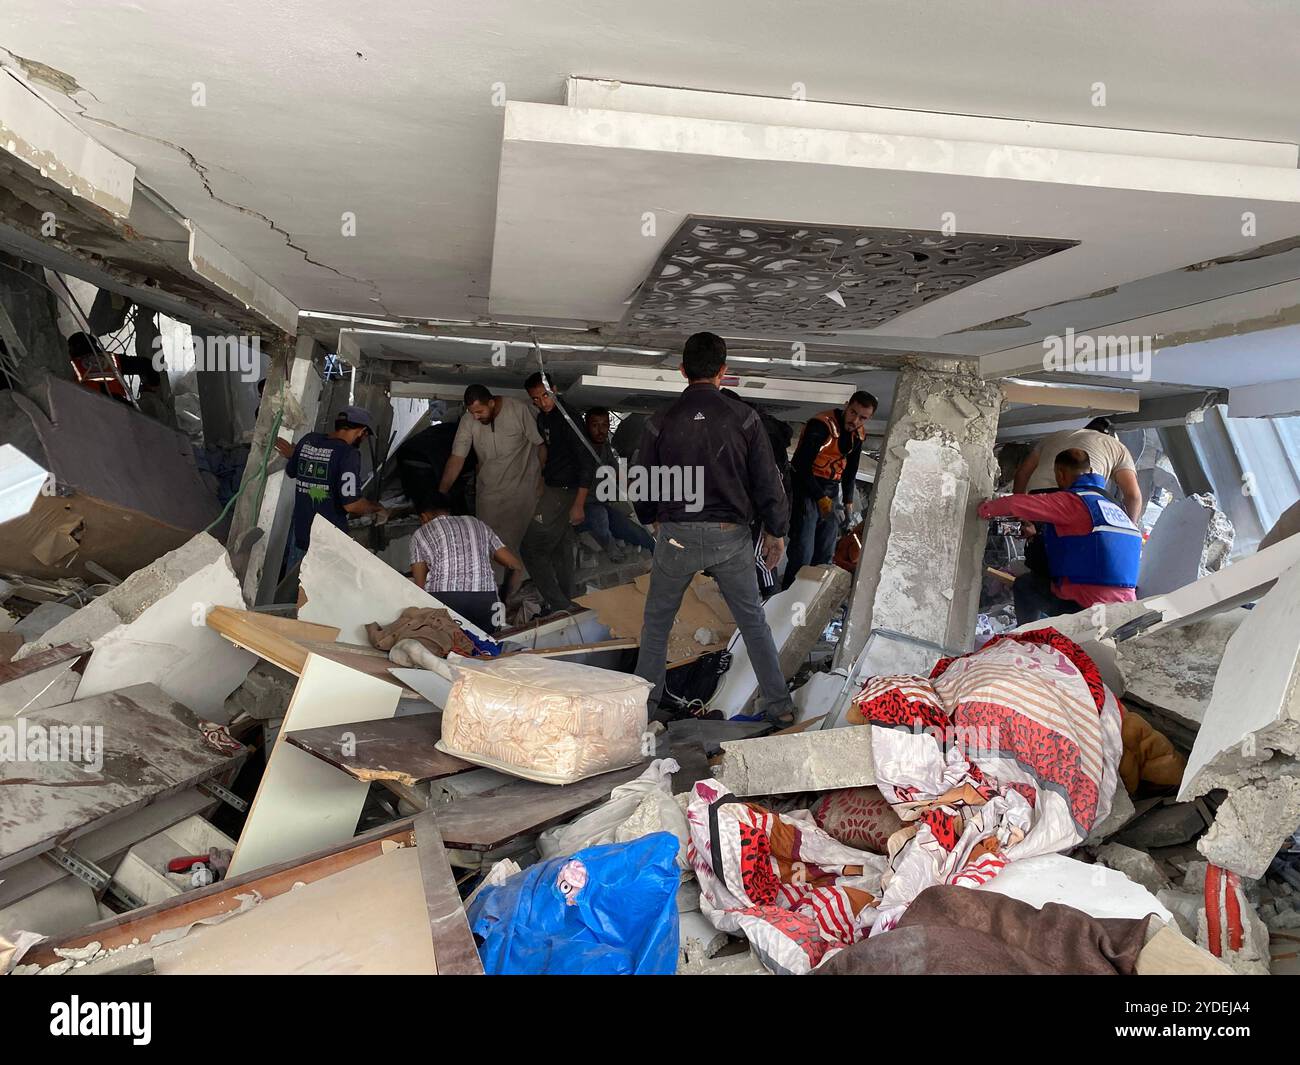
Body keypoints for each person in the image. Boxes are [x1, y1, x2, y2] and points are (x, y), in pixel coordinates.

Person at [630, 331, 794, 725]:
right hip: (729, 537)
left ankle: (642, 713)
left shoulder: (661, 420)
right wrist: (776, 531)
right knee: (753, 623)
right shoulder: (745, 419)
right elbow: (767, 481)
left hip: (677, 535)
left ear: (682, 370)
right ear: (724, 371)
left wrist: (651, 516)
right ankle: (780, 707)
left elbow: (640, 478)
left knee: (656, 625)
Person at [979, 447, 1141, 622]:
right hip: (1125, 607)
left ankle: (1028, 639)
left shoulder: (1074, 501)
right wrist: (1035, 536)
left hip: (1089, 607)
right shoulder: (1115, 508)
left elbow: (1014, 503)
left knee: (1025, 586)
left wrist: (981, 509)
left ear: (1061, 474)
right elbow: (1090, 549)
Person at [782, 391, 877, 589]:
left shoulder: (858, 434)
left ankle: (811, 595)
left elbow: (850, 472)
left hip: (830, 488)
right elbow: (800, 465)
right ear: (846, 405)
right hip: (807, 486)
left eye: (863, 417)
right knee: (803, 550)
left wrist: (848, 503)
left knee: (825, 550)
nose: (855, 420)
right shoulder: (822, 425)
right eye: (853, 412)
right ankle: (789, 595)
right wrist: (819, 497)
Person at [521, 372, 599, 613]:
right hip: (554, 486)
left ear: (554, 389)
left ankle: (559, 604)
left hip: (566, 491)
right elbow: (549, 452)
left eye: (546, 395)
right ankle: (566, 602)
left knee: (530, 548)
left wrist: (579, 503)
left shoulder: (568, 418)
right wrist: (542, 477)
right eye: (536, 399)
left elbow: (587, 462)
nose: (543, 402)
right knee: (560, 547)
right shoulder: (545, 418)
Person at [438, 384, 543, 561]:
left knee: (513, 544)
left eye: (479, 411)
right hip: (488, 493)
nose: (475, 417)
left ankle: (513, 586)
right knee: (487, 544)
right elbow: (457, 458)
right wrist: (441, 492)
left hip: (520, 491)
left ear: (492, 403)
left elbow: (541, 446)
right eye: (472, 412)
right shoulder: (469, 420)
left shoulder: (518, 410)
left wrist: (542, 480)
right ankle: (493, 587)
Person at [277, 405, 388, 571]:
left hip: (301, 536)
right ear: (361, 431)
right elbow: (352, 504)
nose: (364, 439)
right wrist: (377, 508)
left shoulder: (308, 440)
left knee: (293, 589)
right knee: (321, 593)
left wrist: (297, 453)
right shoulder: (348, 454)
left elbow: (296, 475)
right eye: (366, 435)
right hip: (328, 542)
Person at [409, 492, 524, 633]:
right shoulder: (476, 523)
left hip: (445, 601)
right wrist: (504, 599)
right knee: (492, 643)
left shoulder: (420, 534)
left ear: (424, 516)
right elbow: (515, 566)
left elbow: (420, 586)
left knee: (450, 645)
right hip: (487, 603)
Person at [1014, 417, 1143, 521]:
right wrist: (1131, 527)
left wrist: (1019, 513)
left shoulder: (1055, 436)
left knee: (1038, 543)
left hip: (1038, 496)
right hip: (1077, 501)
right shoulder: (1117, 446)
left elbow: (1022, 474)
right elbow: (1133, 496)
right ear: (1109, 434)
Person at [578, 407, 655, 561]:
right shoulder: (580, 448)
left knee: (638, 533)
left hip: (600, 504)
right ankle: (612, 552)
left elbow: (619, 474)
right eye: (595, 425)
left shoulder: (605, 447)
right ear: (587, 426)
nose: (600, 430)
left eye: (604, 425)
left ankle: (657, 552)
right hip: (582, 507)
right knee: (600, 516)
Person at [395, 421, 476, 516]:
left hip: (410, 454)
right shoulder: (472, 441)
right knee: (433, 510)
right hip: (423, 461)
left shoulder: (461, 427)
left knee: (430, 508)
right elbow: (454, 467)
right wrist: (441, 497)